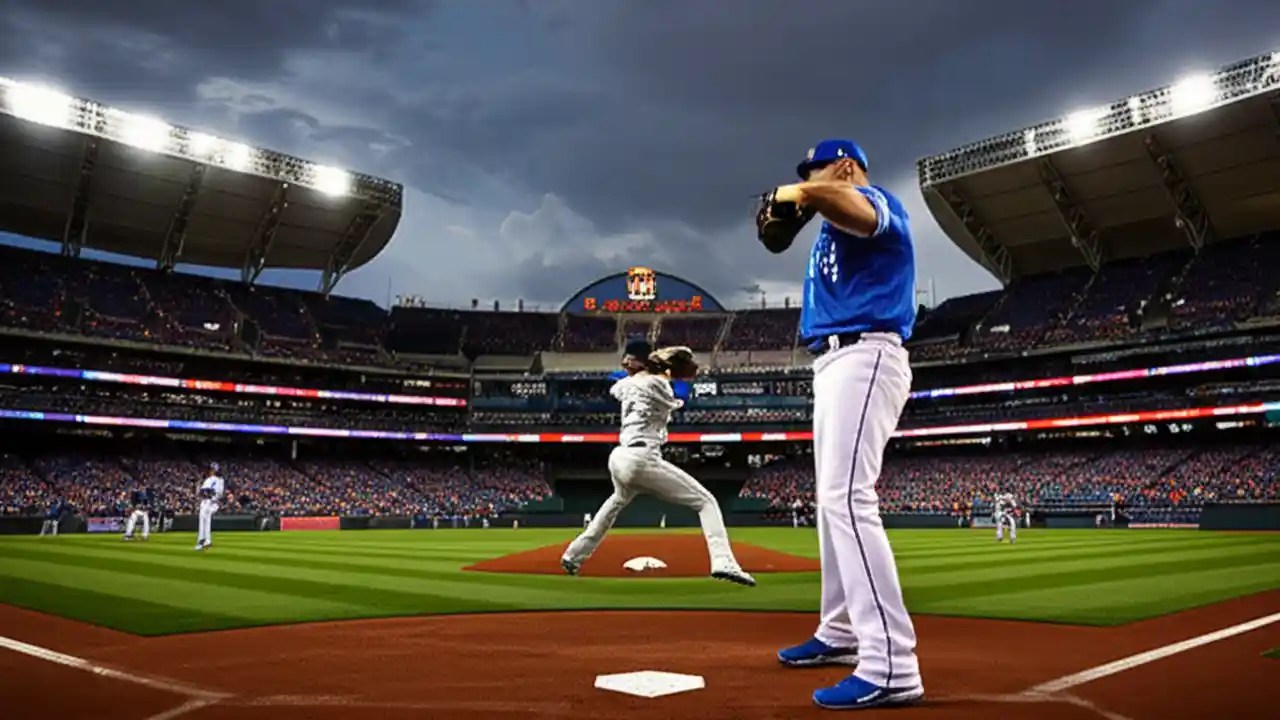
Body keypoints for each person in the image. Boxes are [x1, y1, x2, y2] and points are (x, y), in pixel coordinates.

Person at [767, 140, 924, 710]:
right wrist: (809, 195)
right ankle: (839, 631)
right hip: (833, 359)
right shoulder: (831, 231)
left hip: (866, 352)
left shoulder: (877, 204)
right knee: (830, 500)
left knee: (848, 499)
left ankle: (891, 665)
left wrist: (808, 192)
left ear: (847, 168)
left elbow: (855, 208)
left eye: (816, 174)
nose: (805, 186)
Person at [561, 339, 755, 586]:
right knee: (706, 502)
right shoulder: (659, 383)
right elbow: (682, 397)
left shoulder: (624, 384)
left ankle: (574, 555)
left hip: (619, 457)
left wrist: (647, 367)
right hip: (642, 459)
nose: (625, 362)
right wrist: (670, 373)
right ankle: (723, 563)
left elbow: (614, 382)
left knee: (615, 503)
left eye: (629, 358)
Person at [195, 462, 225, 551]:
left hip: (209, 502)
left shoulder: (214, 479)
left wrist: (201, 489)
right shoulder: (219, 480)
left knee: (204, 518)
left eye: (212, 469)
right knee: (205, 519)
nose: (210, 471)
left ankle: (203, 540)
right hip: (211, 502)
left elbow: (206, 492)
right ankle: (205, 540)